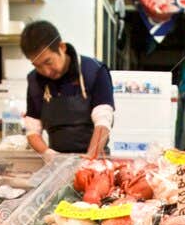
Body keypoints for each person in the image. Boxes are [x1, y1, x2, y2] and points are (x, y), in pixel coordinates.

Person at [19, 20, 114, 158]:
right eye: (38, 66)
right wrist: (49, 155)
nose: (46, 71)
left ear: (61, 47)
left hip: (96, 158)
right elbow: (32, 130)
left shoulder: (94, 71)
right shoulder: (35, 80)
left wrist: (90, 158)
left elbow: (103, 121)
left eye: (48, 62)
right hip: (57, 160)